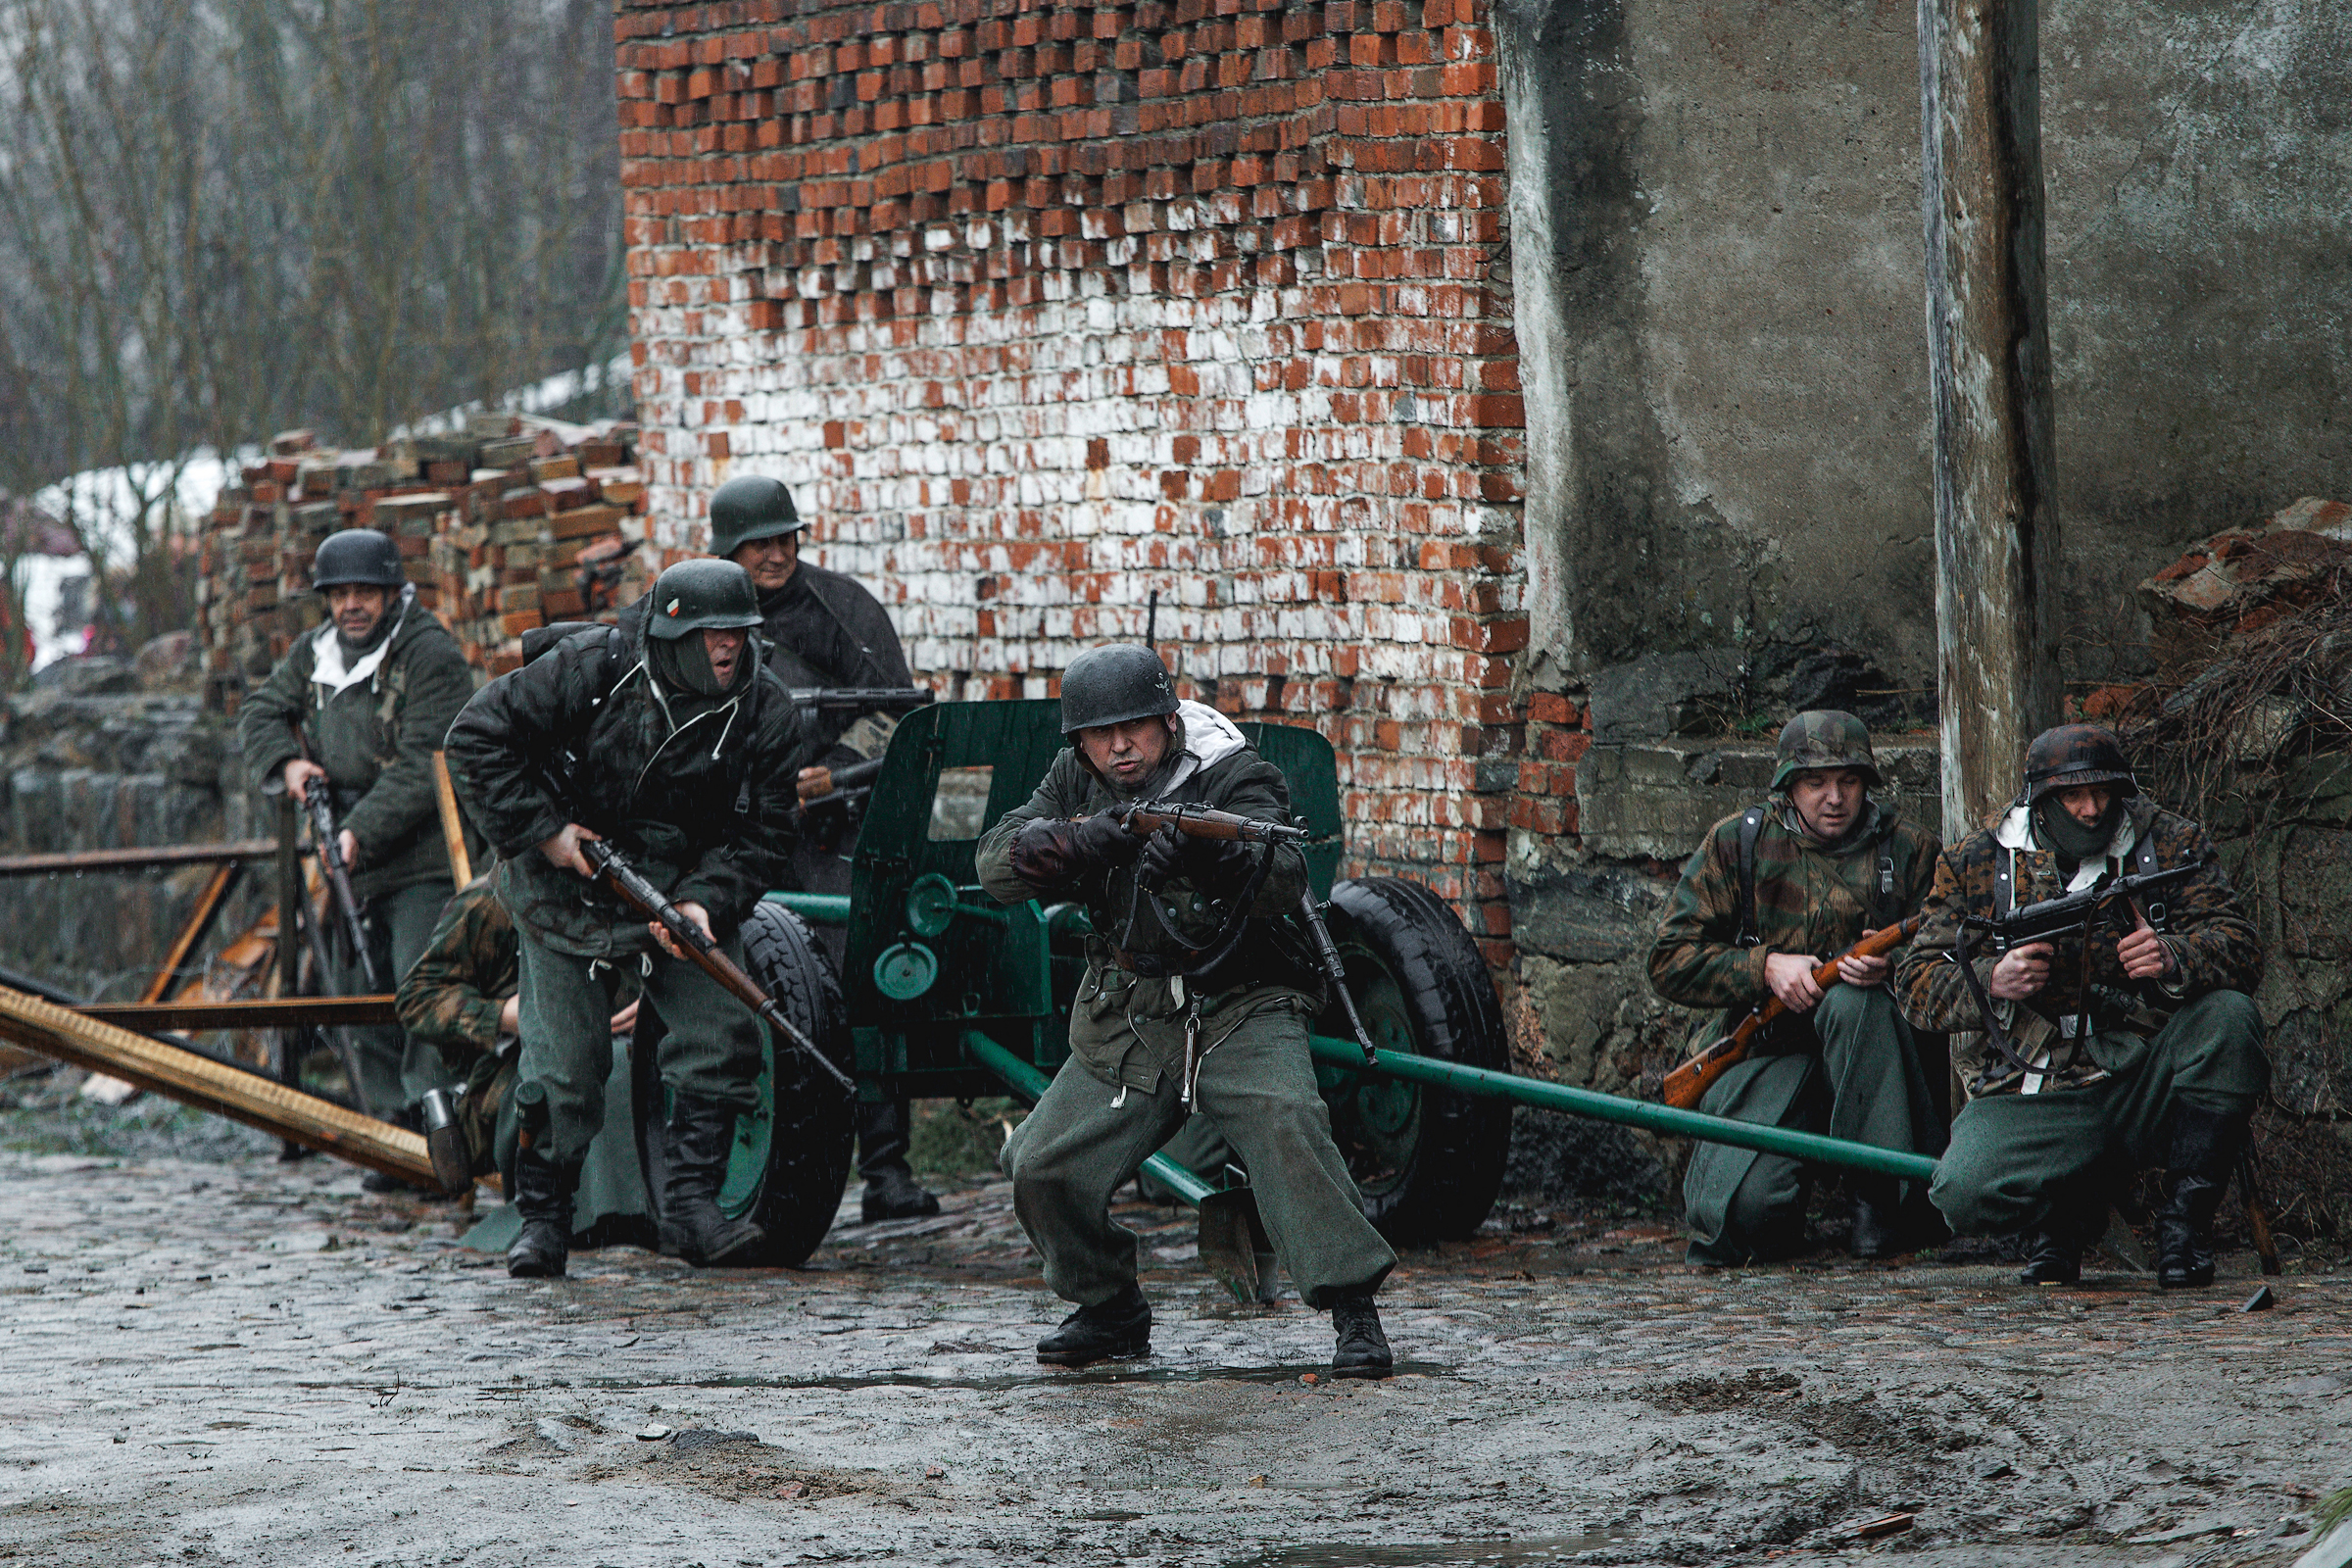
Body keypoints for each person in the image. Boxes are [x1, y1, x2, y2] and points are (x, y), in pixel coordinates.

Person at [974, 643, 1397, 1378]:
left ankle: (1354, 1309)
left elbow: (1285, 868)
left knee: (1288, 1121)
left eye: (1134, 727)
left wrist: (1215, 861)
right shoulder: (1075, 779)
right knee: (1038, 1165)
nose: (1118, 746)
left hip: (1242, 999)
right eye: (1100, 735)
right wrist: (1086, 842)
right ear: (1077, 741)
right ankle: (1108, 1305)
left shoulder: (1234, 771)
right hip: (1131, 1010)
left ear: (1168, 720)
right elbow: (996, 864)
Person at [443, 558, 803, 1278]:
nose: (728, 646)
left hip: (678, 887)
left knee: (720, 1032)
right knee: (564, 1064)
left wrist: (706, 900)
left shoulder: (767, 710)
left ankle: (695, 1208)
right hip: (560, 885)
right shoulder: (589, 669)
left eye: (738, 630)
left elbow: (767, 833)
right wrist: (548, 833)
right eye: (710, 633)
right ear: (672, 636)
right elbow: (475, 738)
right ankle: (544, 1220)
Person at [1895, 723, 2268, 1288]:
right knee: (1962, 1192)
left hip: (2145, 1072)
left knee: (2230, 1018)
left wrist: (2174, 956)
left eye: (2104, 793)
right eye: (2073, 795)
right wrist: (1990, 978)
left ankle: (2184, 1226)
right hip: (2039, 1089)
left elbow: (2242, 949)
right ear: (2040, 801)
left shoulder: (2170, 844)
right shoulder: (1975, 863)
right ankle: (2062, 1219)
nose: (2092, 809)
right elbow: (1915, 984)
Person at [701, 474, 941, 1223]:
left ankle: (885, 1167)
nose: (775, 556)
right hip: (729, 834)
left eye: (784, 540)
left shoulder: (842, 608)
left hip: (828, 830)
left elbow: (893, 709)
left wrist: (829, 773)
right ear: (727, 550)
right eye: (758, 544)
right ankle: (720, 1171)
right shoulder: (695, 611)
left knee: (850, 982)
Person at [1647, 710, 1947, 1264]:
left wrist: (1894, 968)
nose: (1835, 798)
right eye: (1816, 783)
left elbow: (1954, 957)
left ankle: (1880, 1197)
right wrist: (1763, 968)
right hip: (1768, 1054)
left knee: (1855, 1001)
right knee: (1746, 1221)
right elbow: (1669, 961)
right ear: (1789, 786)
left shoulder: (1911, 852)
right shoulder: (1738, 846)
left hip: (1876, 1065)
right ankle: (1782, 1206)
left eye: (1849, 781)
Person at [236, 527, 474, 1170]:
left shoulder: (430, 656)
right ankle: (386, 1136)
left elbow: (427, 761)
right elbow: (260, 711)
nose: (351, 606)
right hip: (350, 861)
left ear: (393, 592)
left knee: (416, 988)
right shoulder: (316, 653)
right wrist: (288, 764)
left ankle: (437, 1136)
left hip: (423, 858)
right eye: (339, 594)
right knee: (355, 991)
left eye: (364, 591)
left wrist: (358, 829)